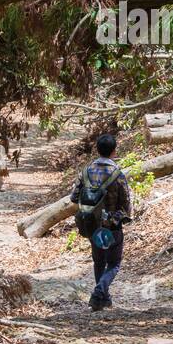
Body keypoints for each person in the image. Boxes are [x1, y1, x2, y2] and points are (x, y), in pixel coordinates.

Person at [69, 133, 133, 311]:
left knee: (99, 262)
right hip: (111, 226)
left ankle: (102, 299)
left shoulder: (86, 171)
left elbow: (74, 197)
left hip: (91, 225)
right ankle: (99, 292)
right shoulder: (117, 173)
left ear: (97, 150)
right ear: (114, 151)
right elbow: (126, 204)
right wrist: (123, 218)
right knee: (114, 263)